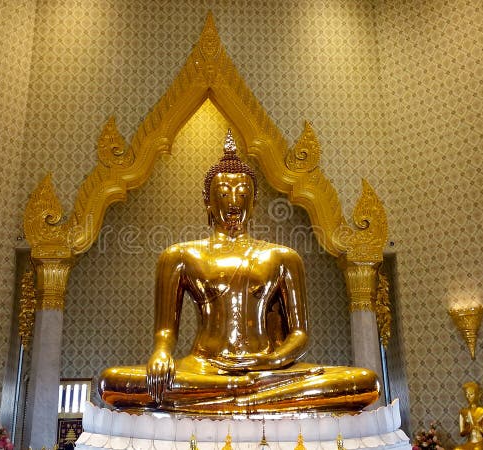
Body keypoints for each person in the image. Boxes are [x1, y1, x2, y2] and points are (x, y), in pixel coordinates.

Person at [98, 130, 380, 414]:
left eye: (242, 193)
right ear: (208, 202)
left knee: (363, 383)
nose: (233, 200)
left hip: (267, 370)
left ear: (254, 201)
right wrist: (160, 354)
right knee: (113, 382)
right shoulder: (179, 256)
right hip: (203, 368)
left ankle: (232, 399)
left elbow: (299, 335)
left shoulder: (282, 257)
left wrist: (268, 362)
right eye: (223, 192)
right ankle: (247, 399)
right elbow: (165, 331)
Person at [453, 381, 483, 450]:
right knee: (457, 449)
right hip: (471, 443)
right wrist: (470, 427)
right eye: (466, 394)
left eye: (471, 394)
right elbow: (462, 433)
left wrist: (478, 427)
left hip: (482, 443)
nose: (468, 397)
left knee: (477, 449)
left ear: (479, 395)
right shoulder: (463, 412)